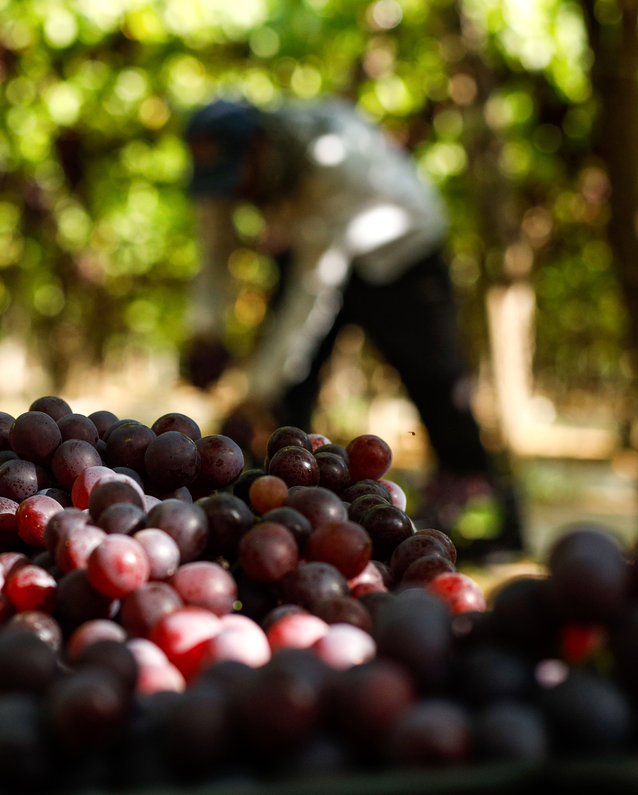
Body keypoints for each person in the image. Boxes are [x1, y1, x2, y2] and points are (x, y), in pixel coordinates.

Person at [181, 98, 520, 551]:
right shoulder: (229, 170)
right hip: (313, 246)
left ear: (261, 148)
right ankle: (268, 505)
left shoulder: (330, 162)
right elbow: (214, 253)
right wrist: (204, 331)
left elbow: (311, 293)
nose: (236, 192)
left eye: (241, 178)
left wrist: (255, 391)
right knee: (288, 400)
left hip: (400, 253)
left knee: (436, 380)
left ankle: (487, 511)